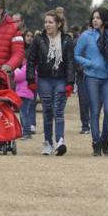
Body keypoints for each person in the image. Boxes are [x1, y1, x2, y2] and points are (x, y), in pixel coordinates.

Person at [26, 10, 75, 156]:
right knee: (47, 111)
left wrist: (70, 83)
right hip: (44, 79)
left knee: (58, 111)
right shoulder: (38, 39)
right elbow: (30, 60)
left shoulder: (67, 40)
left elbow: (70, 63)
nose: (47, 25)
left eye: (50, 22)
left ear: (58, 24)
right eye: (46, 22)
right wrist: (30, 80)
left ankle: (60, 141)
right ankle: (47, 143)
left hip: (60, 79)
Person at [75, 8, 108, 156]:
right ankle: (96, 143)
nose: (95, 20)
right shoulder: (86, 36)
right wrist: (89, 63)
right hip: (91, 77)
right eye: (93, 18)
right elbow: (76, 54)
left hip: (107, 78)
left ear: (105, 20)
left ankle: (104, 139)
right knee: (94, 110)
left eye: (98, 18)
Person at [71, 25, 91, 135]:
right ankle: (85, 125)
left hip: (94, 75)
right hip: (81, 76)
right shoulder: (76, 43)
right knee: (83, 101)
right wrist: (80, 69)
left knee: (95, 102)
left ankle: (92, 123)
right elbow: (73, 58)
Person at [14, 60, 35, 139]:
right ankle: (25, 131)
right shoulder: (31, 68)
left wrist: (15, 69)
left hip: (23, 94)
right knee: (24, 113)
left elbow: (18, 77)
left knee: (24, 114)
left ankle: (27, 132)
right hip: (26, 94)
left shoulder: (26, 68)